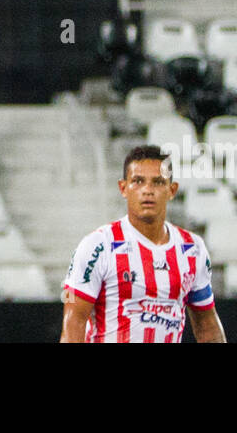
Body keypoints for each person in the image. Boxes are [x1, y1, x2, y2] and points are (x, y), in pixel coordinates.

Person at [61, 145, 225, 343]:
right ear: (123, 188)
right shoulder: (98, 246)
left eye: (158, 182)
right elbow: (73, 325)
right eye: (138, 181)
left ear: (172, 190)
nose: (148, 190)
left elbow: (207, 325)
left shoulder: (192, 249)